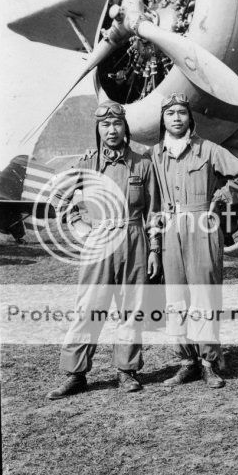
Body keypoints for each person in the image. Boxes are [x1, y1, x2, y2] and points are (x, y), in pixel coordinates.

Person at [47, 101, 161, 399]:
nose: (112, 130)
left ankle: (127, 371)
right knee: (89, 307)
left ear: (126, 128)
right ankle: (75, 374)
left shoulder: (144, 164)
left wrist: (154, 249)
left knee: (132, 308)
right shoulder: (88, 164)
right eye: (105, 125)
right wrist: (79, 225)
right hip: (99, 240)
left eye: (117, 124)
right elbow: (59, 196)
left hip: (135, 239)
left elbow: (155, 212)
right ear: (98, 129)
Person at [152, 92, 238, 389]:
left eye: (182, 112)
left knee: (204, 295)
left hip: (203, 226)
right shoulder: (156, 155)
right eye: (170, 114)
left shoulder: (208, 149)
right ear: (163, 119)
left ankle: (209, 362)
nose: (176, 118)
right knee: (176, 298)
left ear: (190, 118)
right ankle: (187, 362)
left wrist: (220, 198)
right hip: (171, 227)